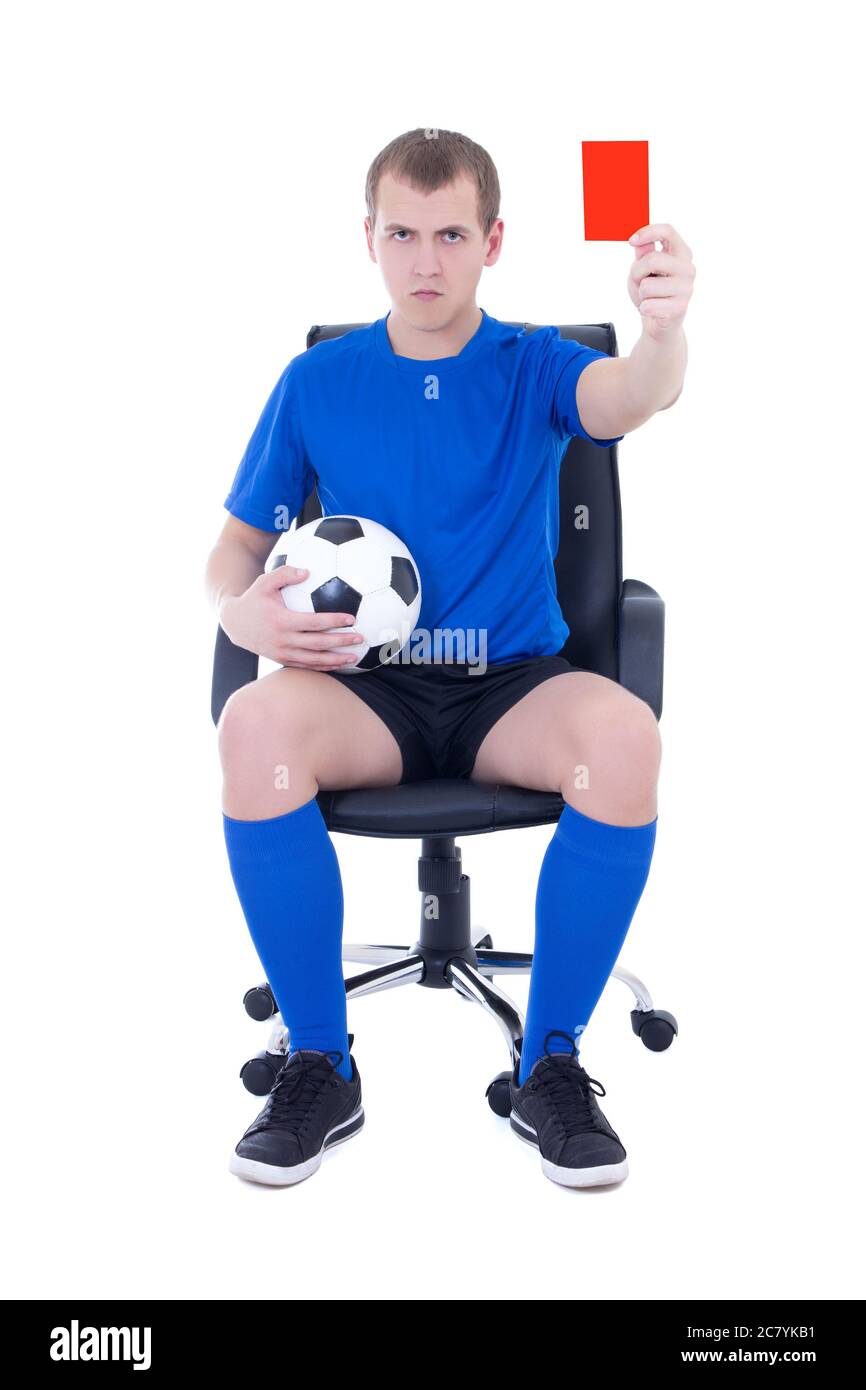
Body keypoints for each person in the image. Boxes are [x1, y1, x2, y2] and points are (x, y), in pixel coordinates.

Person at [204, 127, 693, 1190]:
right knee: (253, 727)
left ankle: (548, 1063)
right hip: (362, 691)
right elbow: (234, 553)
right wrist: (241, 616)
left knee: (622, 739)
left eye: (452, 234)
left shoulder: (534, 363)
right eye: (403, 234)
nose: (426, 260)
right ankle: (319, 1064)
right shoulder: (316, 381)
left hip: (509, 685)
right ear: (369, 240)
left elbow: (629, 397)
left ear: (492, 241)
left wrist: (661, 332)